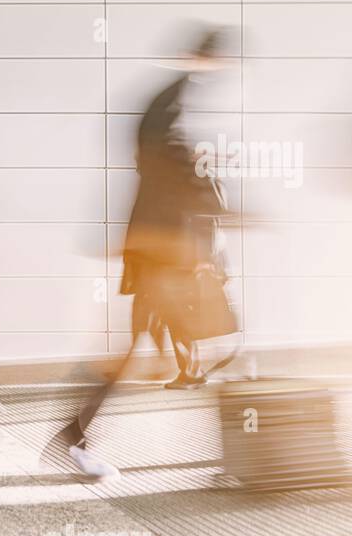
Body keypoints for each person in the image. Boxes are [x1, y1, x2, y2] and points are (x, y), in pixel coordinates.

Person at [48, 27, 238, 479]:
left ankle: (72, 438)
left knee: (146, 348)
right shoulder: (169, 106)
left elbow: (163, 161)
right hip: (161, 251)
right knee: (188, 344)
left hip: (161, 251)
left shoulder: (168, 104)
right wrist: (216, 196)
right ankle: (71, 440)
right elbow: (164, 162)